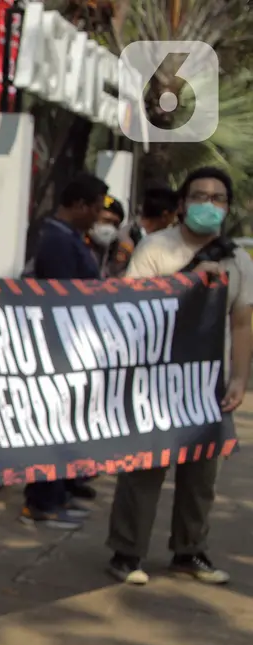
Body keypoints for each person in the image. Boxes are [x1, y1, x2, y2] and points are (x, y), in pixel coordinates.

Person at [107, 166, 253, 586]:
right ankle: (126, 552)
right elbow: (133, 307)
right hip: (154, 381)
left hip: (207, 384)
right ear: (183, 203)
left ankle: (189, 551)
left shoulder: (237, 260)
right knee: (144, 468)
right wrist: (186, 281)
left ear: (227, 207)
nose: (209, 205)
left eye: (218, 198)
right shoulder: (155, 249)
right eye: (200, 196)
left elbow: (241, 324)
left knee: (202, 474)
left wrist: (239, 378)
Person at [20, 172, 110, 529]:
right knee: (52, 425)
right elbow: (61, 298)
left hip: (75, 348)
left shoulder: (70, 237)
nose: (98, 218)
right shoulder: (57, 241)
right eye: (95, 208)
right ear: (78, 205)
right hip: (60, 349)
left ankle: (56, 495)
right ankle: (41, 502)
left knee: (65, 426)